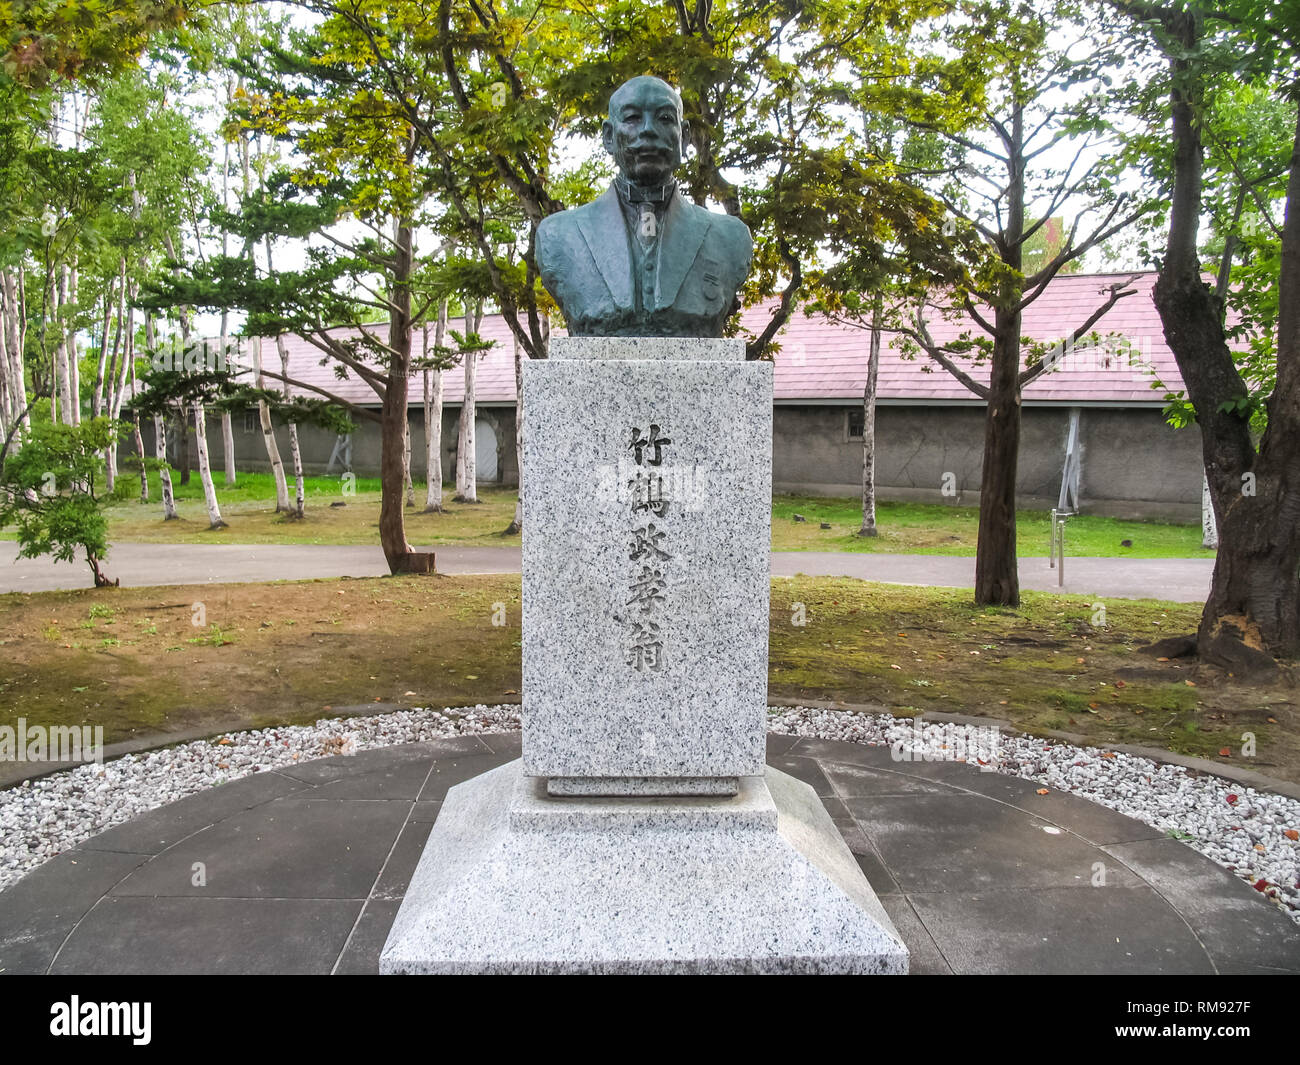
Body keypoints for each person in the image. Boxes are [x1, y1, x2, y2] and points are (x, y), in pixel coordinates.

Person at [536, 75, 752, 338]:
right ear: (608, 137)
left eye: (664, 119)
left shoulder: (730, 238)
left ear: (683, 138)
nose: (648, 130)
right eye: (632, 118)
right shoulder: (558, 235)